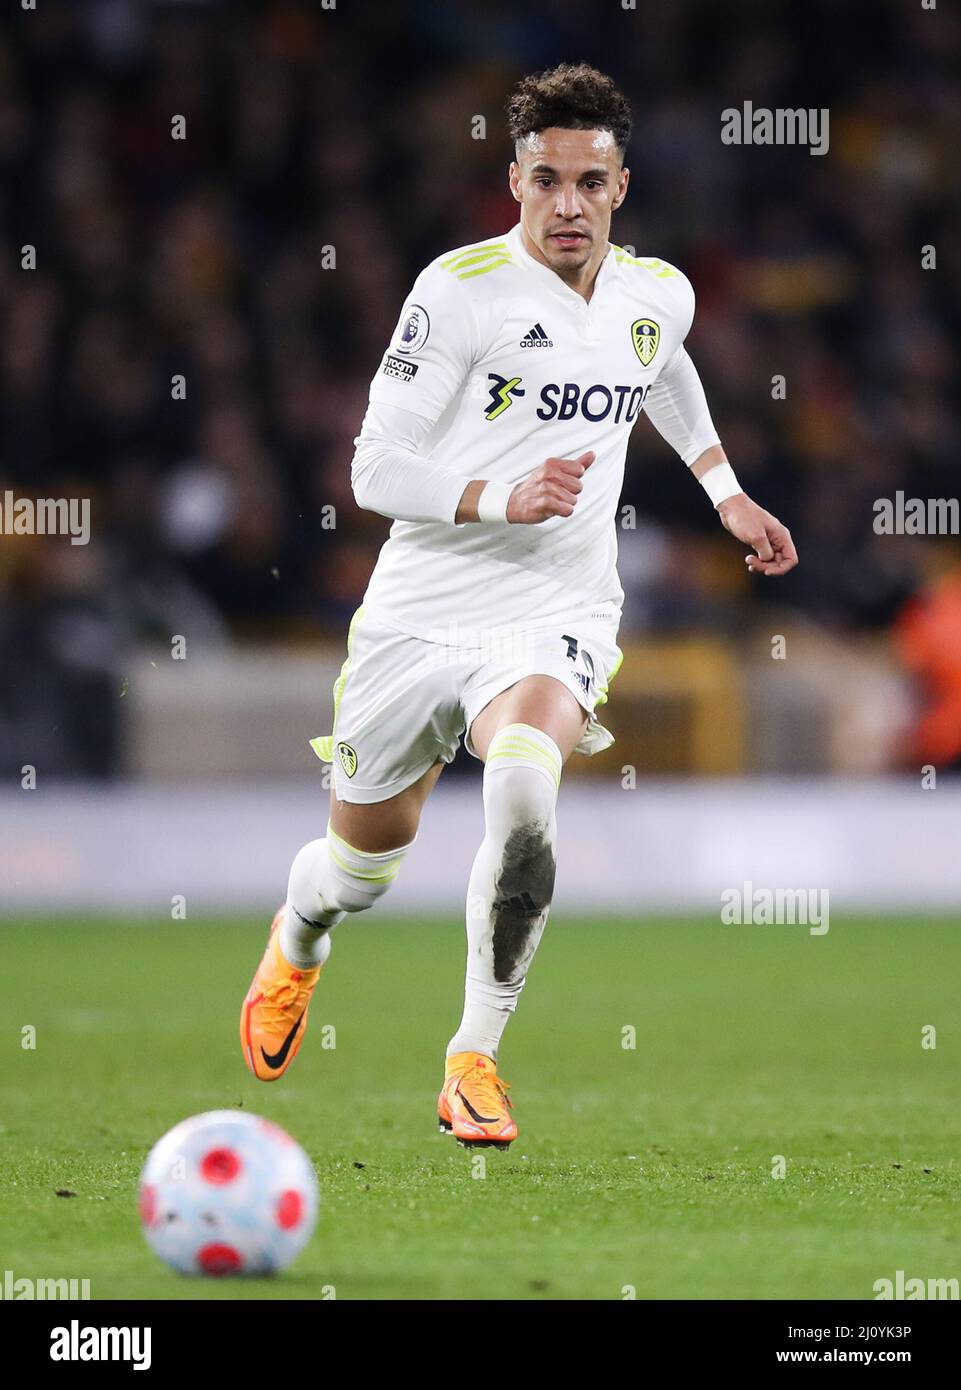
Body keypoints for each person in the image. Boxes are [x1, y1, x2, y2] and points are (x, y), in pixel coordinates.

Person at [240, 62, 798, 1148]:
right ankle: (298, 938)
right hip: (422, 603)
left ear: (621, 188)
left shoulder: (656, 294)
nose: (568, 204)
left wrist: (724, 490)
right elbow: (369, 469)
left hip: (557, 605)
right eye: (546, 180)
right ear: (514, 180)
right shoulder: (457, 293)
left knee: (524, 797)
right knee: (358, 868)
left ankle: (472, 1057)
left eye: (590, 182)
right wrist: (501, 492)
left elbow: (660, 367)